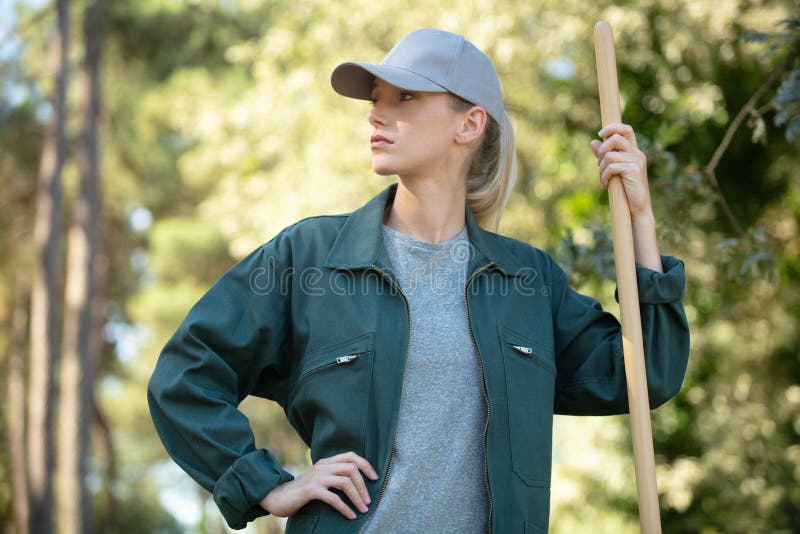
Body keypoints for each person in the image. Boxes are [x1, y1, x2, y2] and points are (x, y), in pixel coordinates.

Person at [147, 28, 690, 533]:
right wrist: (270, 486)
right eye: (375, 98)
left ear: (469, 124)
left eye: (403, 98)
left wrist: (640, 219)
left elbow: (646, 375)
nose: (376, 115)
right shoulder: (308, 258)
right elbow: (185, 379)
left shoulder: (528, 281)